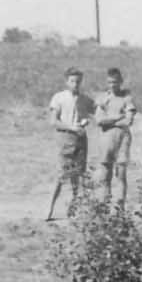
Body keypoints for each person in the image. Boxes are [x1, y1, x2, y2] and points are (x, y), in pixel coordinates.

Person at [46, 66, 96, 221]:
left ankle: (73, 210)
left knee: (78, 176)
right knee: (61, 175)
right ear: (67, 81)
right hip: (65, 139)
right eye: (72, 81)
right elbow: (53, 121)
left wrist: (87, 120)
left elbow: (96, 112)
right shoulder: (59, 97)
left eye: (78, 81)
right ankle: (49, 209)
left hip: (80, 140)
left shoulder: (85, 99)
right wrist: (71, 127)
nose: (75, 84)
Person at [94, 67, 138, 207]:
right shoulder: (103, 98)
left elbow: (128, 121)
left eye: (115, 82)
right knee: (105, 174)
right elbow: (99, 120)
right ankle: (104, 206)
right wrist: (117, 117)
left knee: (121, 174)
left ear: (120, 82)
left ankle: (120, 208)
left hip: (122, 139)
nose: (113, 85)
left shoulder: (126, 98)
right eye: (110, 82)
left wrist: (110, 121)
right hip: (106, 140)